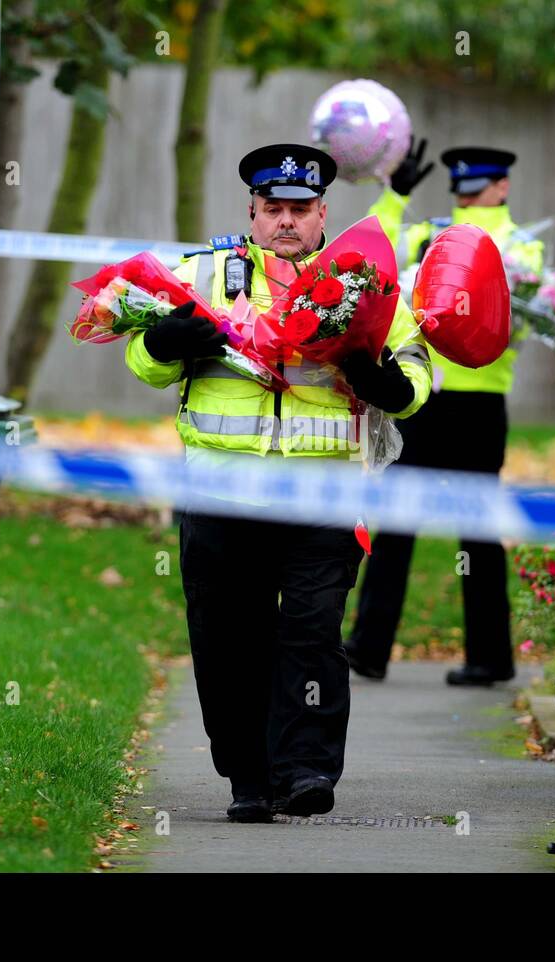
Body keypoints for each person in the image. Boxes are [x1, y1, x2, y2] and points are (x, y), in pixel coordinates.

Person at [124, 143, 432, 822]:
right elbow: (142, 363)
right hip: (220, 496)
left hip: (323, 495)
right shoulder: (203, 274)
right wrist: (166, 343)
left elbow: (414, 373)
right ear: (253, 213)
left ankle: (305, 771)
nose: (285, 221)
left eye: (300, 209)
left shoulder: (363, 282)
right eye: (273, 209)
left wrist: (386, 382)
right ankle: (249, 778)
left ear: (323, 213)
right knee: (227, 639)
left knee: (312, 631)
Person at [345, 142, 544, 687]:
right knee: (399, 526)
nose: (467, 194)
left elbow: (516, 299)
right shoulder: (427, 234)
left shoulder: (521, 247)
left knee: (474, 534)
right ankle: (369, 648)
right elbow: (370, 248)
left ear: (502, 187)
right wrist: (396, 193)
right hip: (422, 396)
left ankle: (488, 657)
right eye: (461, 187)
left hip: (476, 404)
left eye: (477, 187)